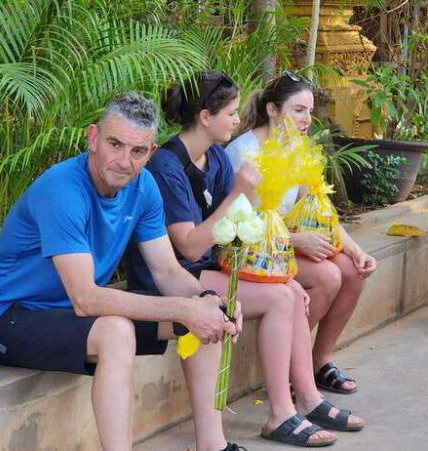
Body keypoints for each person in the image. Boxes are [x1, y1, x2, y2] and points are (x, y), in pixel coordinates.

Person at [0, 92, 245, 451]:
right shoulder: (62, 189)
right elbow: (85, 298)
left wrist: (210, 301)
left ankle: (212, 444)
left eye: (137, 151)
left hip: (73, 315)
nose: (123, 161)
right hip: (9, 319)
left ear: (150, 153)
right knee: (117, 332)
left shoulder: (144, 187)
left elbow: (166, 270)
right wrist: (184, 308)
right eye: (115, 144)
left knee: (207, 314)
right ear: (93, 138)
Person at [125, 70, 363, 447]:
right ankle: (282, 412)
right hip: (173, 278)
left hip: (211, 267)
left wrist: (283, 271)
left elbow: (236, 230)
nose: (238, 120)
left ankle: (305, 399)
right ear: (206, 117)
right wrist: (239, 193)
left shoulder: (216, 158)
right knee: (281, 298)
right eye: (231, 113)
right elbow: (189, 247)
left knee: (289, 291)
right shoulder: (167, 167)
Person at [226, 71, 377, 395]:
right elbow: (234, 225)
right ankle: (292, 368)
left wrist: (355, 250)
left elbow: (320, 208)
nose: (307, 119)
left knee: (352, 270)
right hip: (251, 250)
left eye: (309, 111)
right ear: (272, 110)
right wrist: (294, 240)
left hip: (284, 243)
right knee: (328, 276)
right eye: (298, 110)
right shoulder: (242, 152)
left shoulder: (298, 147)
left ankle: (317, 362)